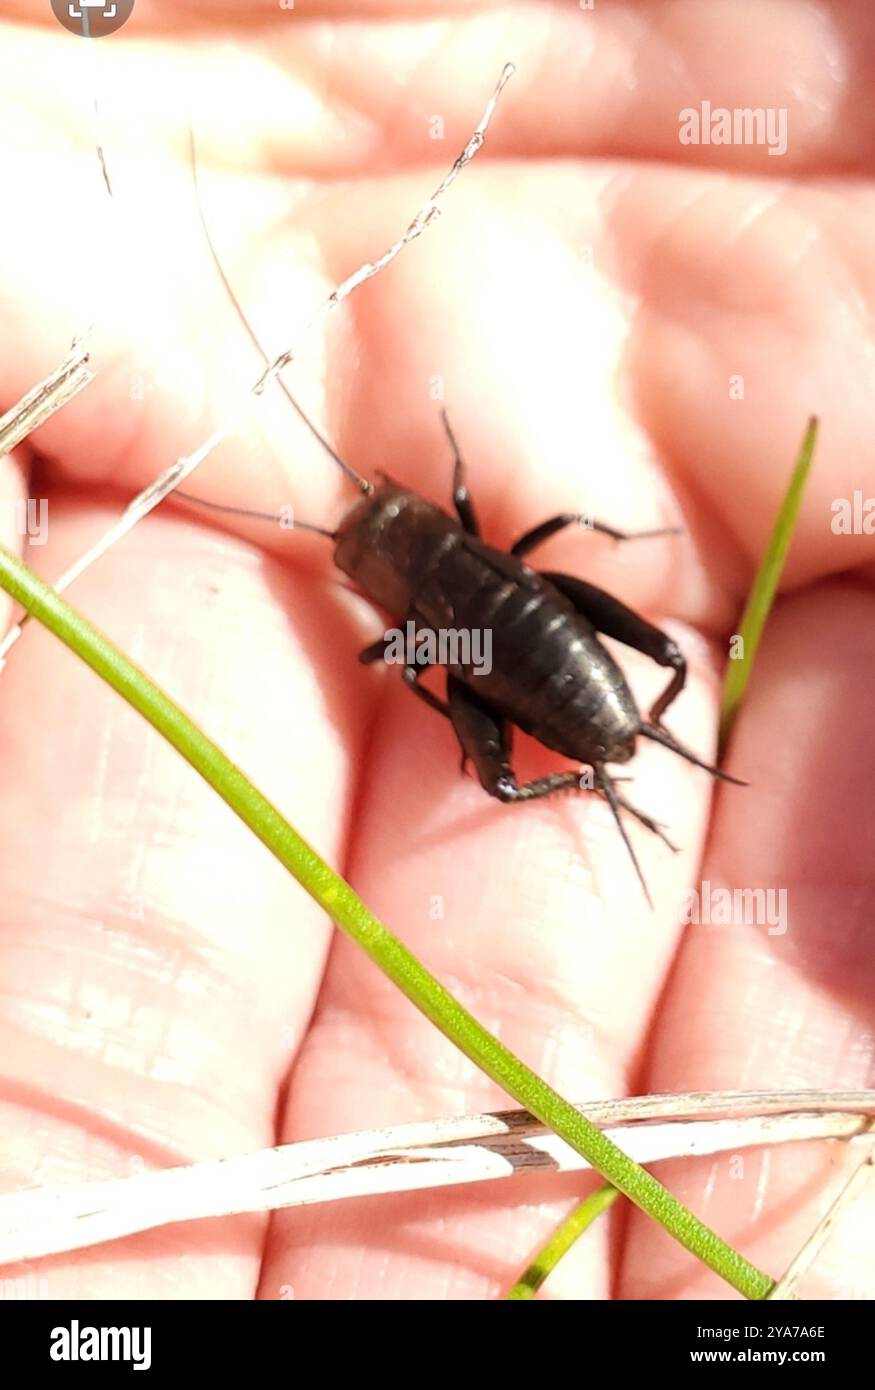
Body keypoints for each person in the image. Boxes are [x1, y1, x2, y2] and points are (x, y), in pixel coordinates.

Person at [0, 1, 871, 1301]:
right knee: (500, 758)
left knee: (497, 716)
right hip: (518, 628)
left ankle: (600, 767)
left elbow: (412, 646)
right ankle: (599, 769)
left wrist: (419, 665)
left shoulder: (427, 618)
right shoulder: (444, 582)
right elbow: (430, 617)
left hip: (515, 635)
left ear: (422, 520)